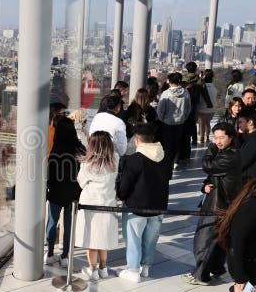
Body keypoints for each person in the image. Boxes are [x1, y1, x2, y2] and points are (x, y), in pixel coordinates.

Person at [182, 122, 242, 286]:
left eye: (222, 137)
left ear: (231, 137)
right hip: (219, 199)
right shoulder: (225, 152)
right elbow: (214, 176)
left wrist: (209, 151)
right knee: (217, 238)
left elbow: (208, 166)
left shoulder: (230, 155)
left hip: (219, 204)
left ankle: (201, 275)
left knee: (205, 238)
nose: (217, 141)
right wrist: (205, 186)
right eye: (215, 137)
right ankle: (217, 268)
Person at [116, 123, 169, 282]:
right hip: (159, 206)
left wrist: (121, 196)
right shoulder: (165, 157)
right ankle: (146, 267)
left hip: (136, 206)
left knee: (133, 238)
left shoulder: (134, 159)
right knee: (151, 239)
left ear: (137, 140)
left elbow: (125, 184)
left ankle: (133, 270)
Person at [75, 131, 119, 279]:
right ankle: (103, 268)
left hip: (90, 205)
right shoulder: (115, 159)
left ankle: (92, 270)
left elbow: (81, 182)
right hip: (108, 204)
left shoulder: (87, 163)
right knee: (103, 239)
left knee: (91, 239)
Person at [45, 115, 85, 267]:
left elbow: (51, 173)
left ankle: (49, 253)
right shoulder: (78, 147)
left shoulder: (56, 148)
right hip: (74, 192)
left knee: (52, 222)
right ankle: (65, 255)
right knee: (68, 224)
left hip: (56, 191)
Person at [156, 72, 191, 178]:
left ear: (169, 81)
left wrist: (162, 119)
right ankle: (176, 161)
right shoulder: (185, 92)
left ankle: (167, 162)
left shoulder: (166, 94)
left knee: (167, 143)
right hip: (180, 121)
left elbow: (160, 109)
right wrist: (183, 117)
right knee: (177, 141)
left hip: (167, 122)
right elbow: (188, 108)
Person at [237, 108, 256, 183]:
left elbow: (241, 162)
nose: (239, 125)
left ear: (250, 122)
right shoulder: (249, 135)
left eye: (241, 122)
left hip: (249, 181)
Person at [197, 69, 217, 144]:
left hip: (202, 107)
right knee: (207, 123)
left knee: (202, 123)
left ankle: (201, 137)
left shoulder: (202, 86)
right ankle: (207, 137)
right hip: (212, 108)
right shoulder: (213, 87)